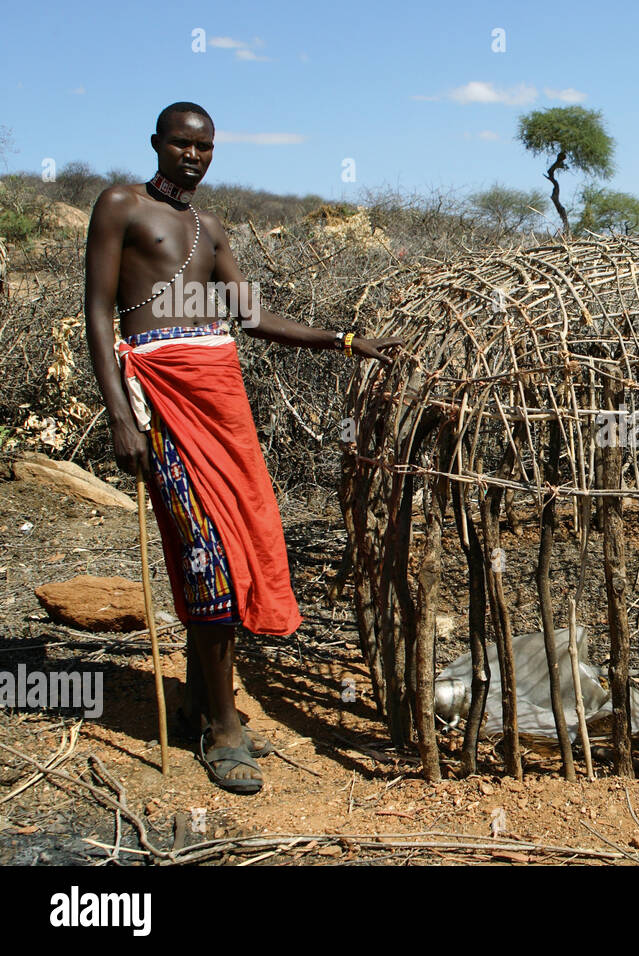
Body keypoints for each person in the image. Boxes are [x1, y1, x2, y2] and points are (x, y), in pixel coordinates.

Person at [84, 101, 401, 793]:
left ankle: (203, 702)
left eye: (205, 147)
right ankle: (224, 732)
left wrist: (344, 341)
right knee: (206, 559)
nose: (193, 156)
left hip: (221, 403)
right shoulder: (120, 205)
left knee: (235, 546)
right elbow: (98, 310)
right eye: (181, 144)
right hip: (162, 403)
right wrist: (119, 417)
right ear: (157, 144)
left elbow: (252, 316)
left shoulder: (211, 228)